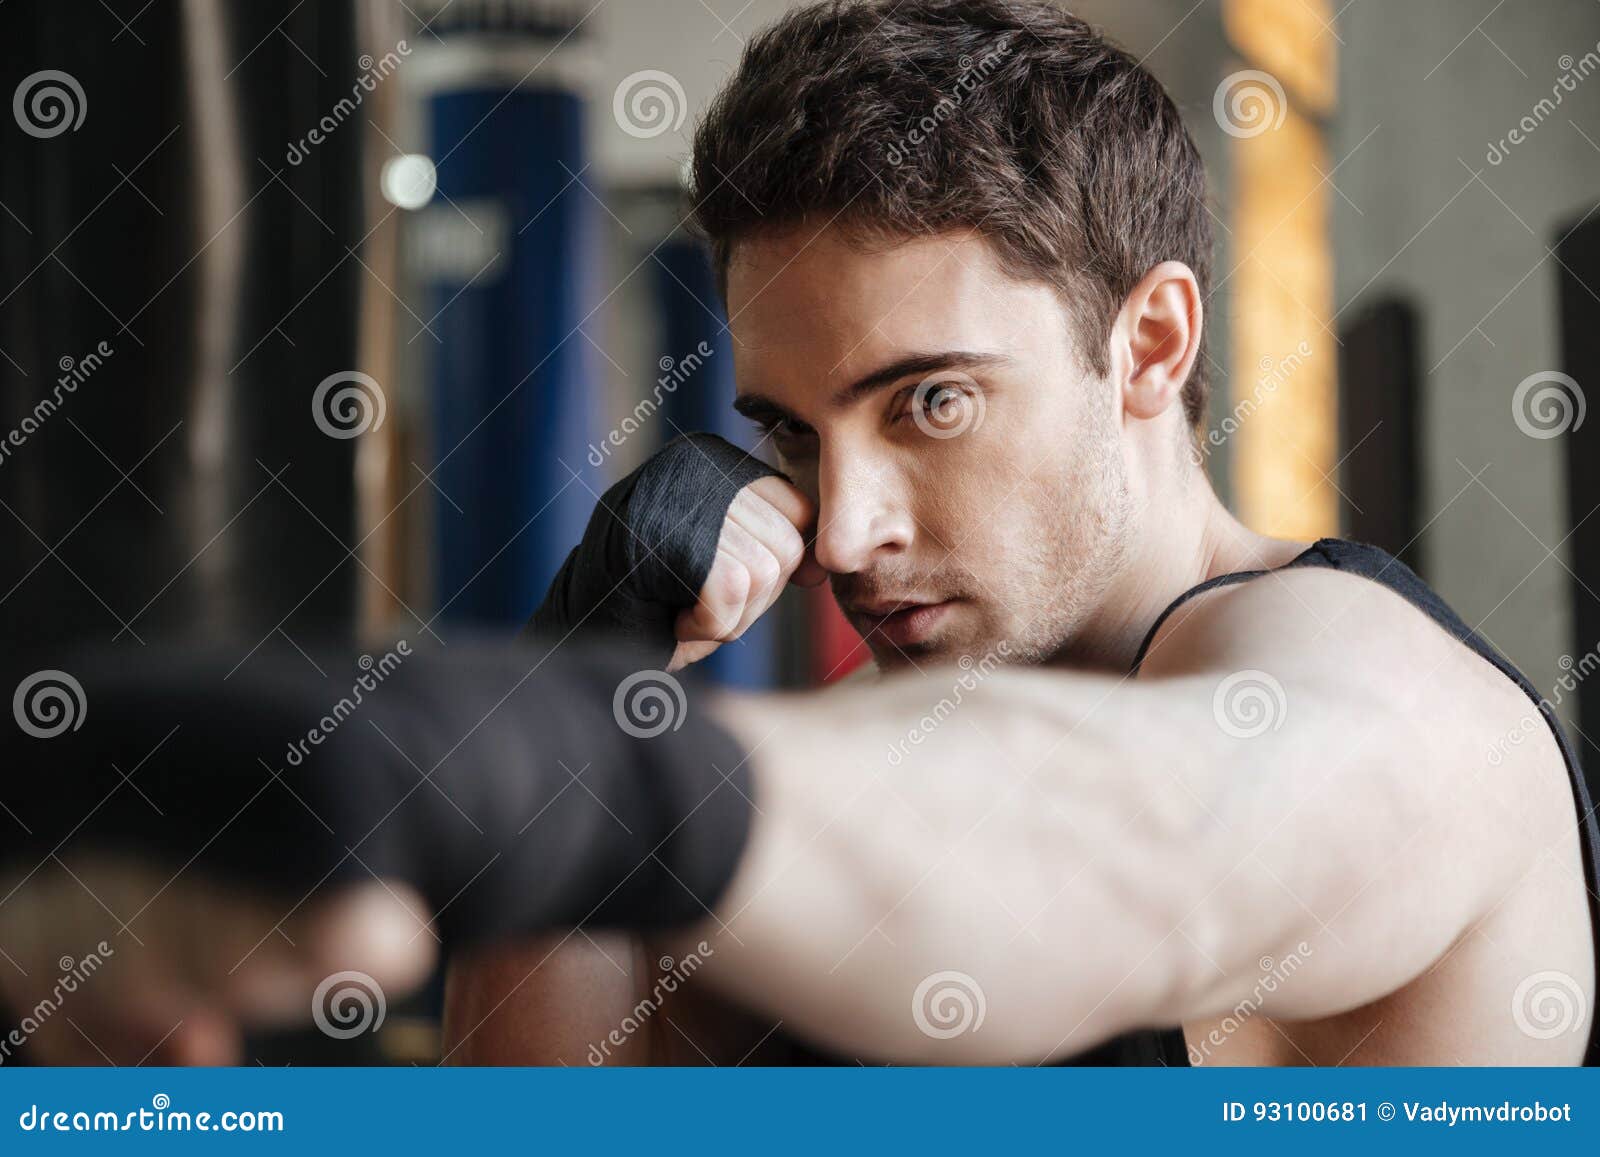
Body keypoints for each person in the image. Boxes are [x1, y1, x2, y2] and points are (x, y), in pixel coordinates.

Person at [1, 0, 1595, 1069]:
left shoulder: (1386, 703)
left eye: (930, 401)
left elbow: (1147, 852)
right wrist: (593, 662)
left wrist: (546, 762)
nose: (844, 531)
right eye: (789, 434)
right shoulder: (886, 744)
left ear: (1152, 345)